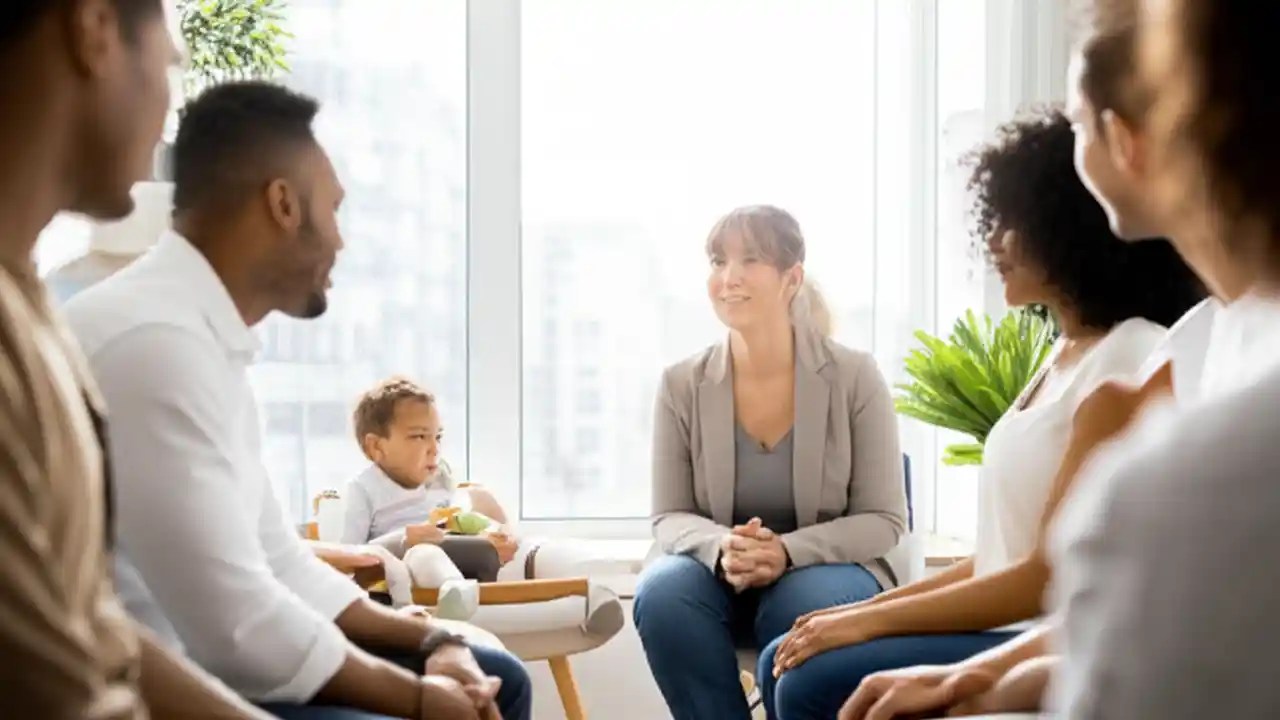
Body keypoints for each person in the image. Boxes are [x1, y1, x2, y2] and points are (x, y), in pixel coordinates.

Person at [833, 3, 1268, 716]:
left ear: (1124, 141)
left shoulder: (1178, 454)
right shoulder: (1200, 340)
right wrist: (976, 679)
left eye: (1074, 124)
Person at [64, 81, 532, 720]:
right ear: (283, 204)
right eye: (333, 209)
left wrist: (438, 638)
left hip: (221, 657)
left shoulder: (205, 340)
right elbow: (236, 627)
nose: (340, 239)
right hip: (172, 685)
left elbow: (278, 560)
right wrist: (421, 698)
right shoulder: (154, 344)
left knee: (496, 671)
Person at [761, 109, 1205, 720]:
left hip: (1037, 633)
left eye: (1013, 224)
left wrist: (868, 625)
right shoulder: (1061, 355)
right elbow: (998, 555)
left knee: (812, 679)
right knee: (783, 655)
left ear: (1069, 230)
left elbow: (1044, 576)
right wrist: (851, 615)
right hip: (1008, 617)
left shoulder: (1130, 355)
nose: (994, 242)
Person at [0, 2, 276, 718]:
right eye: (170, 68)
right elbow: (64, 696)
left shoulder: (35, 314)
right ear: (93, 28)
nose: (169, 117)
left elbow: (94, 627)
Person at [634, 204, 910, 720]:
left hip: (827, 567)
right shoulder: (679, 384)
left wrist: (784, 551)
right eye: (718, 261)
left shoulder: (855, 376)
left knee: (797, 603)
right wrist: (723, 548)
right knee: (663, 595)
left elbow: (885, 520)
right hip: (718, 568)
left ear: (792, 277)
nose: (728, 277)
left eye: (750, 260)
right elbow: (669, 515)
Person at [342, 376, 521, 584]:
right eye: (419, 436)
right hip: (412, 571)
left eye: (438, 437)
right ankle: (459, 596)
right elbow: (348, 559)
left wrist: (495, 534)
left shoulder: (440, 480)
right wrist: (402, 541)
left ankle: (549, 571)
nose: (435, 449)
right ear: (377, 447)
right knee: (426, 555)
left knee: (515, 544)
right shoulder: (363, 489)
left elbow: (460, 521)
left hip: (464, 555)